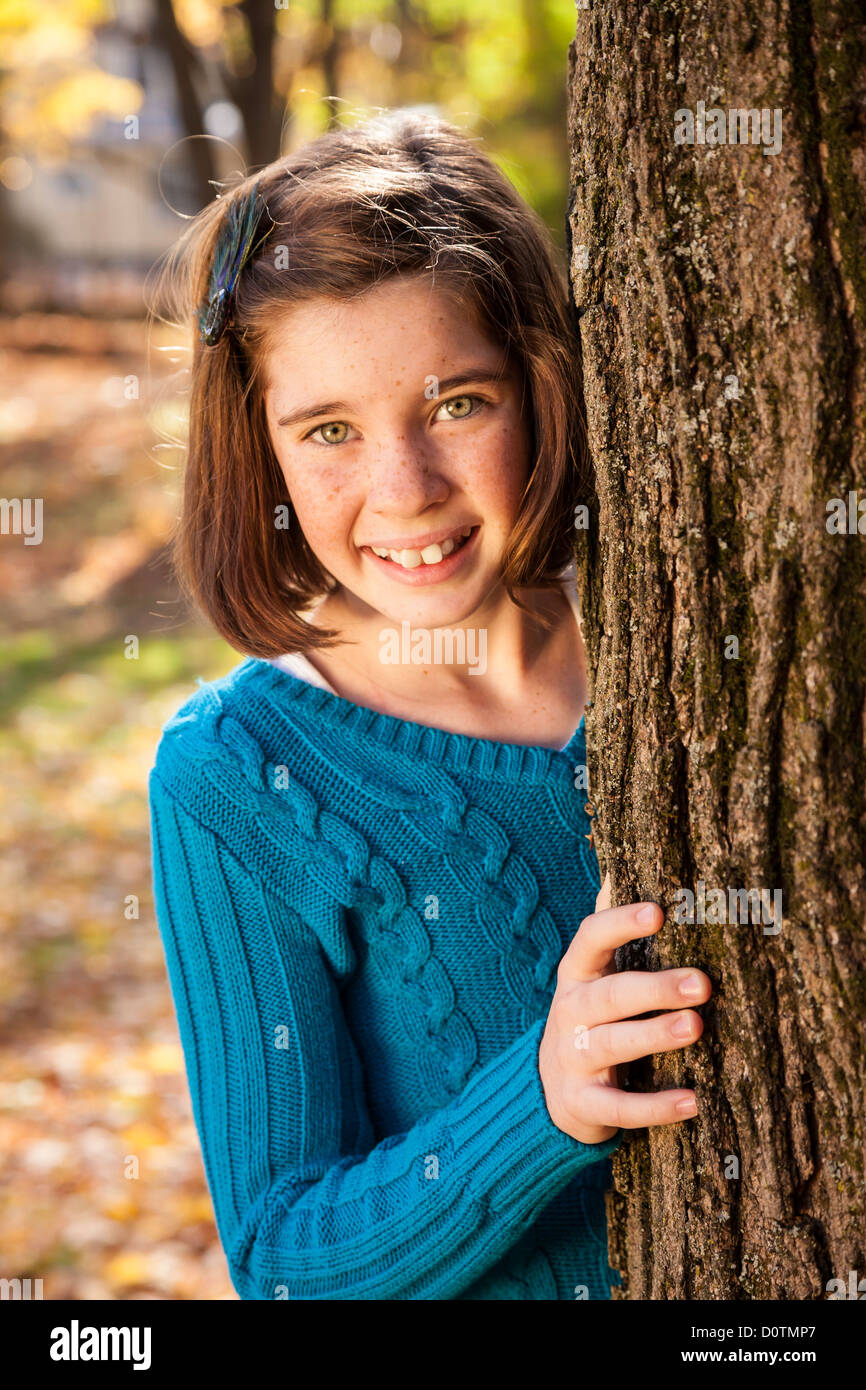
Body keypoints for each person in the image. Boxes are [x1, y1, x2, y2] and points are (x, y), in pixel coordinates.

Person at [147, 108, 712, 1300]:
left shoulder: (677, 627)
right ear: (260, 451)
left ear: (538, 379)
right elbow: (281, 1256)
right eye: (330, 432)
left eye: (457, 401)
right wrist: (540, 1099)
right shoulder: (238, 776)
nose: (403, 489)